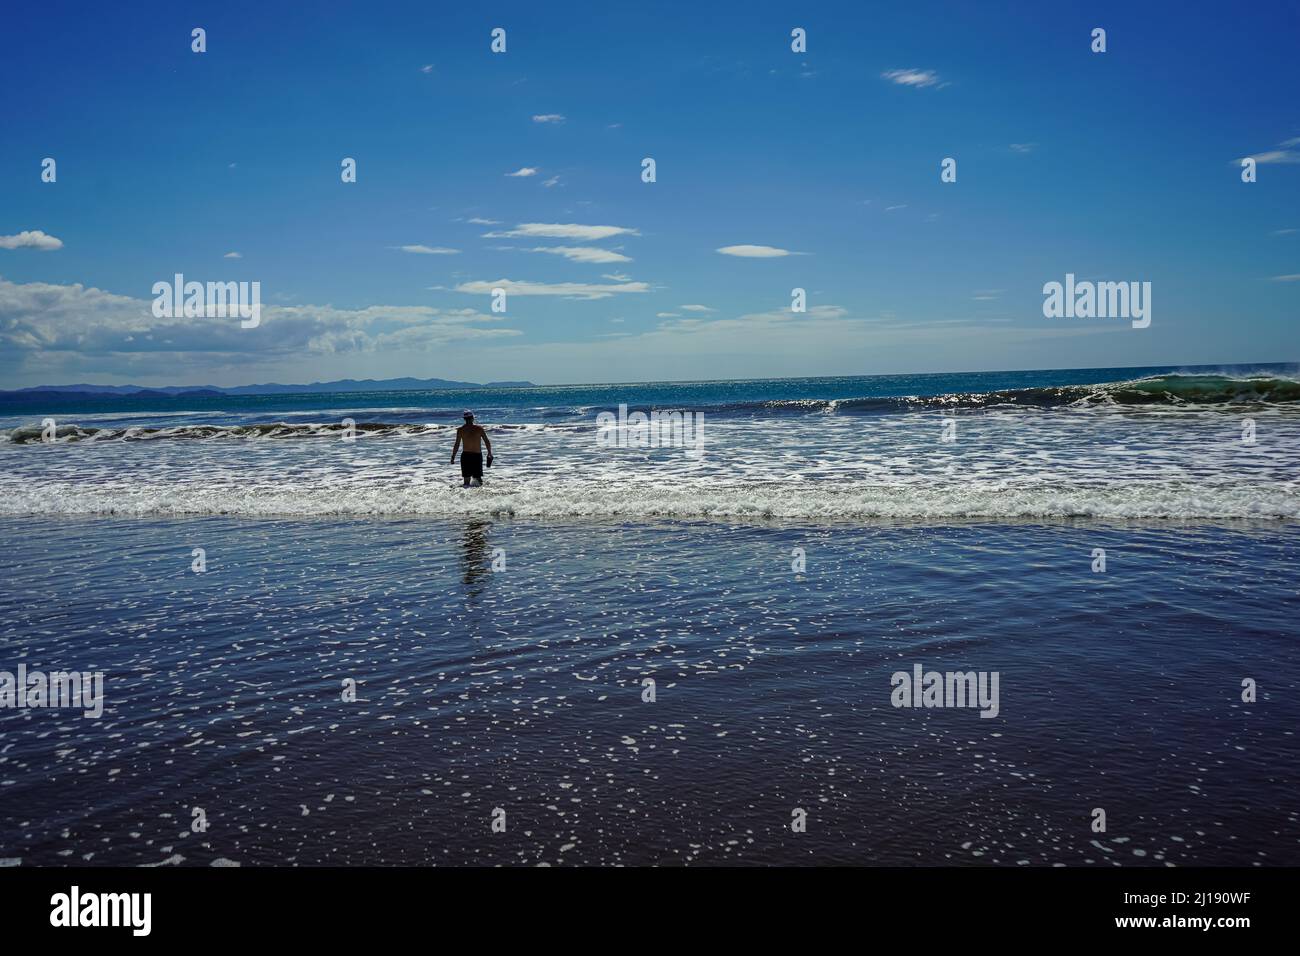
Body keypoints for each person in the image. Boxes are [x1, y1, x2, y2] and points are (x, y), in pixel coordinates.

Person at [451, 410, 493, 487]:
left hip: (465, 456)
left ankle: (465, 496)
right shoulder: (479, 429)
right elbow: (487, 441)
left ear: (464, 419)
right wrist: (489, 453)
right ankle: (480, 496)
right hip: (477, 456)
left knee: (466, 481)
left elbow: (457, 444)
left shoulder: (460, 430)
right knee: (478, 480)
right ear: (473, 418)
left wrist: (453, 456)